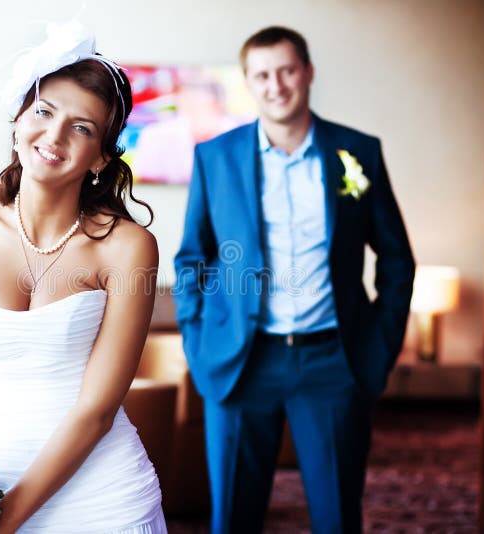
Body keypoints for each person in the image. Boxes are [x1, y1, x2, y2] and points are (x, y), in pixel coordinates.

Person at [173, 26, 415, 533]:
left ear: (308, 73)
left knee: (336, 518)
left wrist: (380, 344)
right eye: (262, 75)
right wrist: (198, 342)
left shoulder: (358, 152)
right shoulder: (215, 157)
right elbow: (193, 258)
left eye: (286, 71)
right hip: (241, 362)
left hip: (332, 362)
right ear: (248, 82)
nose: (276, 85)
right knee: (233, 519)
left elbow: (396, 258)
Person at [0, 20, 165, 534]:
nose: (54, 136)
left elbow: (97, 410)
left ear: (102, 157)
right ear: (18, 121)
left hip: (104, 500)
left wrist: (3, 521)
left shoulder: (128, 247)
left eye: (82, 127)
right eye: (43, 111)